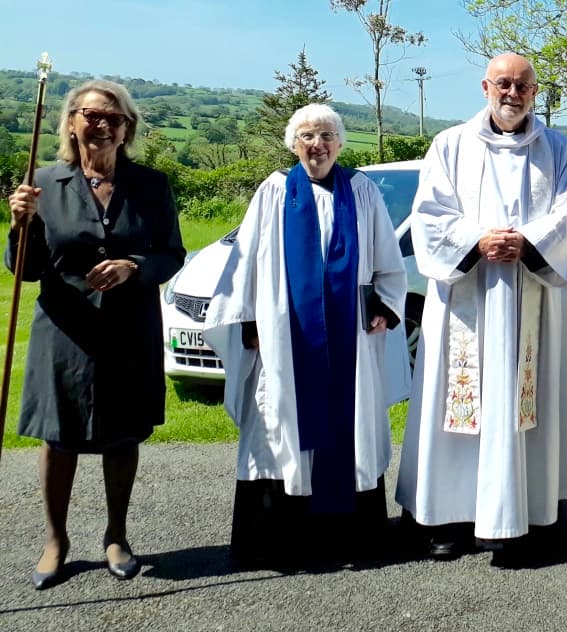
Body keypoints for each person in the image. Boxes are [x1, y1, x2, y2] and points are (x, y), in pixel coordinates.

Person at [395, 53, 567, 563]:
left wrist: (527, 241)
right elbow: (430, 215)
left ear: (535, 92)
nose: (512, 93)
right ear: (485, 87)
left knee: (529, 400)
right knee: (460, 403)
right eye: (503, 83)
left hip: (532, 292)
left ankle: (531, 511)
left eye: (523, 86)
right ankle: (448, 516)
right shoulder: (450, 144)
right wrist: (477, 241)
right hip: (468, 295)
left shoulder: (558, 149)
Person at [203, 104, 409, 567]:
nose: (318, 145)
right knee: (279, 422)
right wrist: (249, 321)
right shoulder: (275, 190)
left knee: (349, 422)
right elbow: (247, 260)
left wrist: (384, 305)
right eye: (308, 136)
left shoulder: (361, 190)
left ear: (340, 142)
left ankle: (350, 540)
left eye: (327, 136)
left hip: (348, 338)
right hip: (284, 337)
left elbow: (386, 257)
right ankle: (282, 543)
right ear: (293, 144)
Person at [5, 80, 185, 589]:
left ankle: (116, 536)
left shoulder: (151, 185)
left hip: (129, 330)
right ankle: (55, 541)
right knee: (59, 437)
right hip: (65, 332)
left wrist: (134, 266)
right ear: (71, 123)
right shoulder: (43, 184)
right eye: (91, 115)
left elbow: (172, 253)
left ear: (127, 129)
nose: (102, 124)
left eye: (114, 118)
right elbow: (26, 270)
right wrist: (19, 226)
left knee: (122, 434)